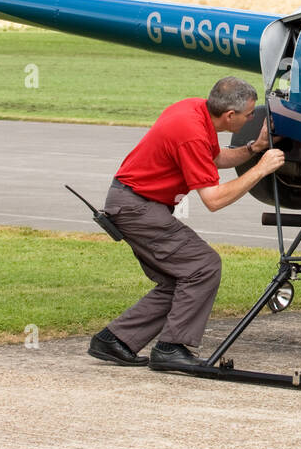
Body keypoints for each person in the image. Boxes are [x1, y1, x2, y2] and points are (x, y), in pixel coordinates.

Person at [88, 76, 286, 368]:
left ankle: (115, 340)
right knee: (203, 266)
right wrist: (261, 169)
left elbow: (215, 158)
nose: (250, 119)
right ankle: (171, 348)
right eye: (248, 114)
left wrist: (254, 149)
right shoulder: (192, 132)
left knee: (180, 279)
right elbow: (214, 200)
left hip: (133, 202)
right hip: (138, 207)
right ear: (230, 115)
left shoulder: (193, 109)